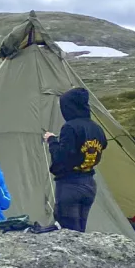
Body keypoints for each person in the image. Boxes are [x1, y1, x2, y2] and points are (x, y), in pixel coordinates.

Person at [43, 87, 107, 232]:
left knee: (68, 231)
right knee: (80, 231)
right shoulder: (96, 127)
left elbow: (61, 157)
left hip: (70, 185)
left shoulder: (70, 127)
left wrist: (52, 140)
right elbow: (104, 145)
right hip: (89, 184)